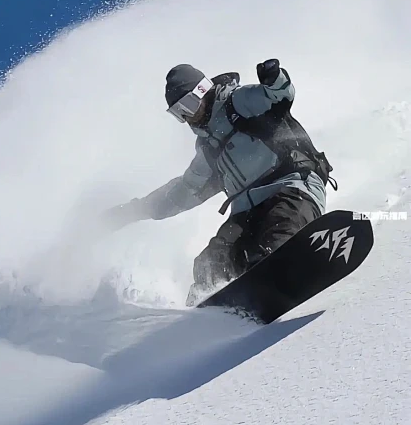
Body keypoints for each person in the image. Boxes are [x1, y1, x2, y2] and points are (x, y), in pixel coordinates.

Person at [105, 59, 336, 301]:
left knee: (279, 230)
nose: (188, 117)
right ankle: (206, 312)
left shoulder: (238, 103)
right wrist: (136, 210)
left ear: (202, 91)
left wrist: (273, 77)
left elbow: (280, 94)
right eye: (178, 113)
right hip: (247, 210)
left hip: (292, 187)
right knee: (210, 262)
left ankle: (285, 269)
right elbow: (184, 191)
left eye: (188, 104)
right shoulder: (208, 149)